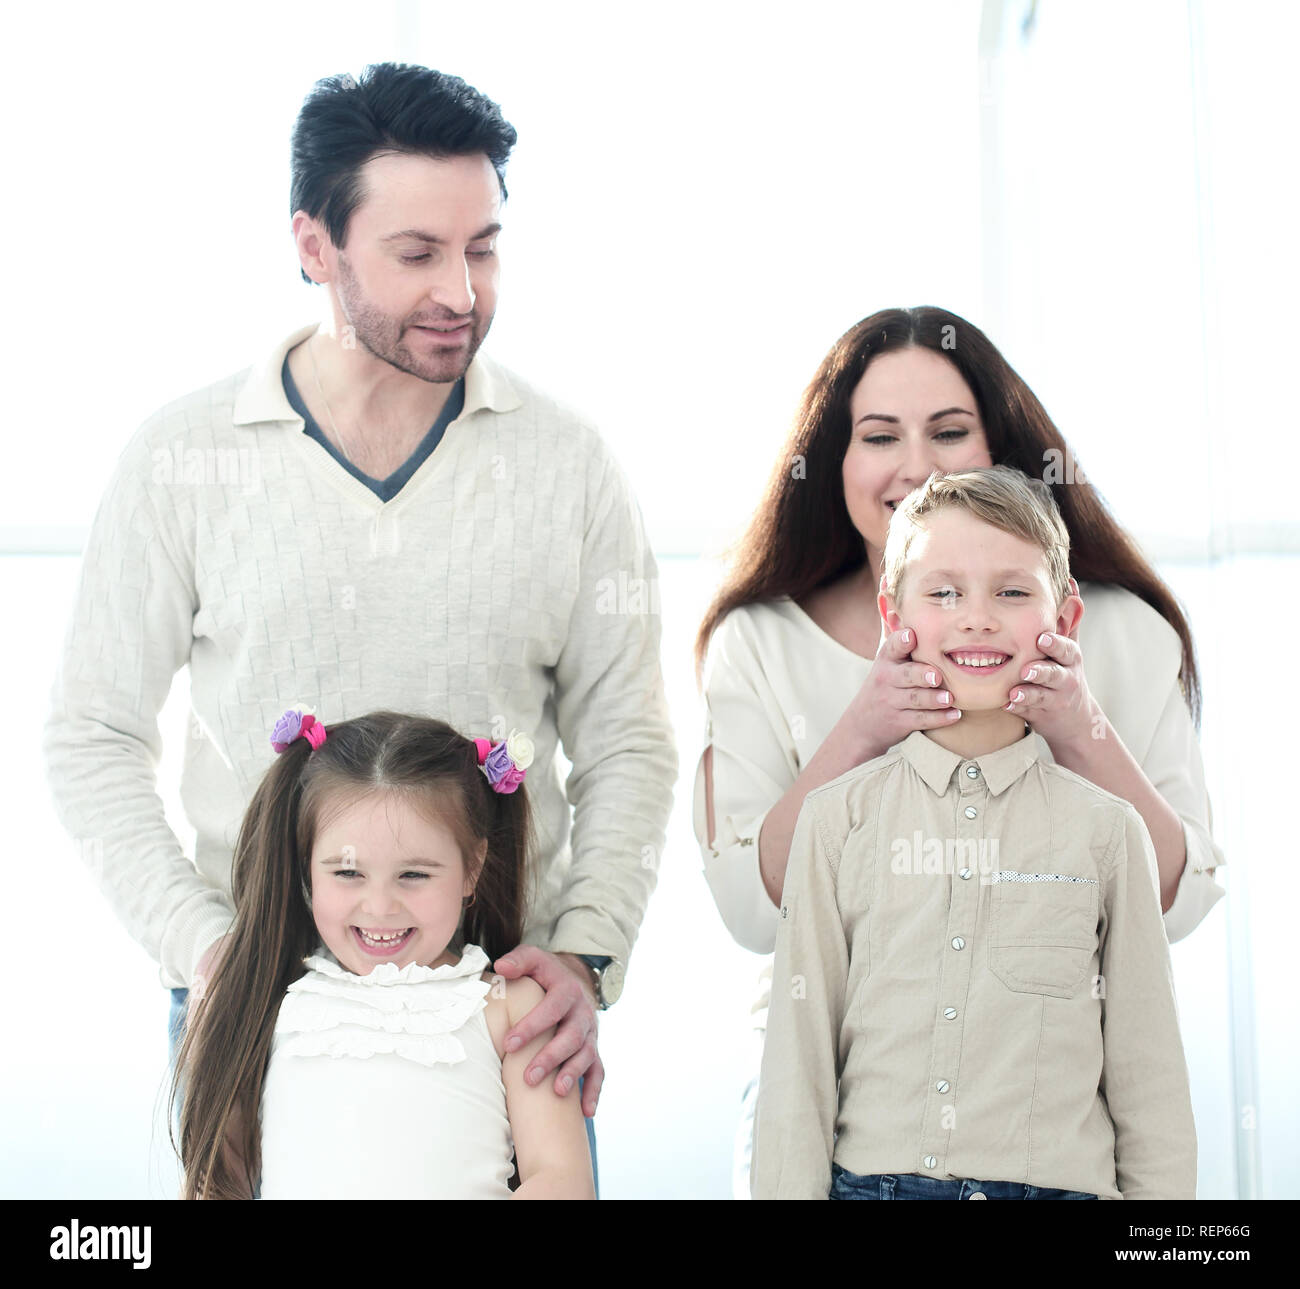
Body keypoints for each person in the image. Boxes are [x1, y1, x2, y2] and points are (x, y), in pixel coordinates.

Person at [43, 62, 676, 1156]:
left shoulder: (569, 463)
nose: (462, 293)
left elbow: (628, 739)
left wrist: (584, 954)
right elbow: (91, 733)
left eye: (483, 246)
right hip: (253, 1006)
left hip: (499, 1016)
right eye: (417, 253)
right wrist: (209, 952)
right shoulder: (180, 456)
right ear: (313, 246)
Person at [693, 306, 1224, 1196]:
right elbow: (753, 912)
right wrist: (864, 725)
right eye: (878, 436)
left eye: (950, 431)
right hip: (839, 1105)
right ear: (837, 462)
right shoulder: (758, 644)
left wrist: (1081, 728)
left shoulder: (1125, 636)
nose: (916, 465)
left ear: (1002, 448)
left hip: (1047, 1117)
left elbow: (1182, 901)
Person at [751, 466, 1197, 1200]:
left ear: (1067, 621)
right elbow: (796, 1065)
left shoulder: (1110, 833)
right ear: (895, 619)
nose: (978, 617)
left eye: (1013, 591)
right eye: (945, 591)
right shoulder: (835, 822)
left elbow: (1151, 1078)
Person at [173, 708, 595, 1199]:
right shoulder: (264, 1003)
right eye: (348, 873)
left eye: (413, 875)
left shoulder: (513, 1008)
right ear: (306, 868)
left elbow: (560, 1179)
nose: (379, 907)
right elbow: (218, 1183)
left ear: (472, 867)